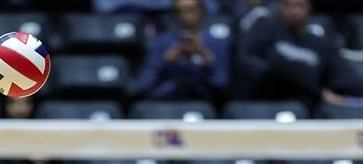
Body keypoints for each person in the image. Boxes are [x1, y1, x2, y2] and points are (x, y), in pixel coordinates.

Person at [235, 0, 363, 111]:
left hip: (307, 109)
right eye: (288, 5)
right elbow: (255, 65)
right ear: (279, 6)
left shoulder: (318, 44)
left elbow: (345, 77)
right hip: (264, 102)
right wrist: (319, 92)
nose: (294, 11)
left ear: (309, 8)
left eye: (300, 5)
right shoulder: (264, 29)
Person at [134, 0, 231, 104]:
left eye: (191, 10)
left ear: (202, 12)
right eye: (180, 11)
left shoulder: (216, 43)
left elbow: (223, 83)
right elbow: (142, 85)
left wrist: (205, 56)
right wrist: (165, 62)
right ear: (174, 15)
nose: (185, 16)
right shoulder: (161, 43)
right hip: (166, 104)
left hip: (205, 104)